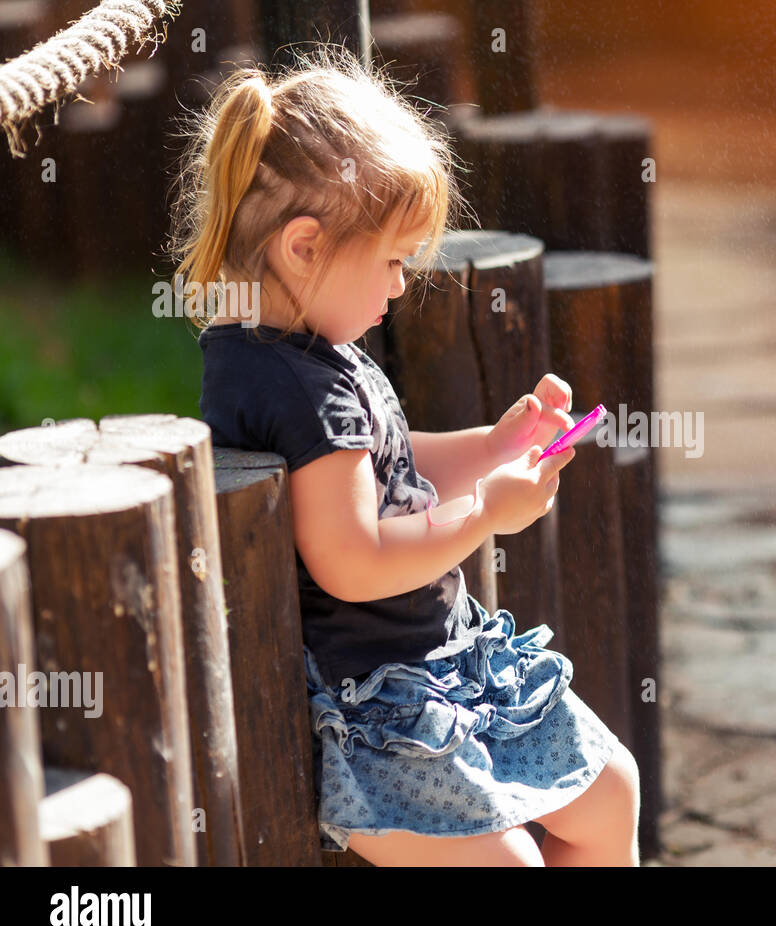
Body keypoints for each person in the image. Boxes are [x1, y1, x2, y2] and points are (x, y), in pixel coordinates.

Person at [169, 44, 639, 866]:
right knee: (512, 862)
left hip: (439, 669)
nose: (397, 287)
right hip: (377, 714)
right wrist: (488, 513)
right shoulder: (294, 385)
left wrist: (495, 448)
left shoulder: (304, 347)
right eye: (390, 261)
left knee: (610, 791)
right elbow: (354, 559)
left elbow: (384, 471)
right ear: (303, 246)